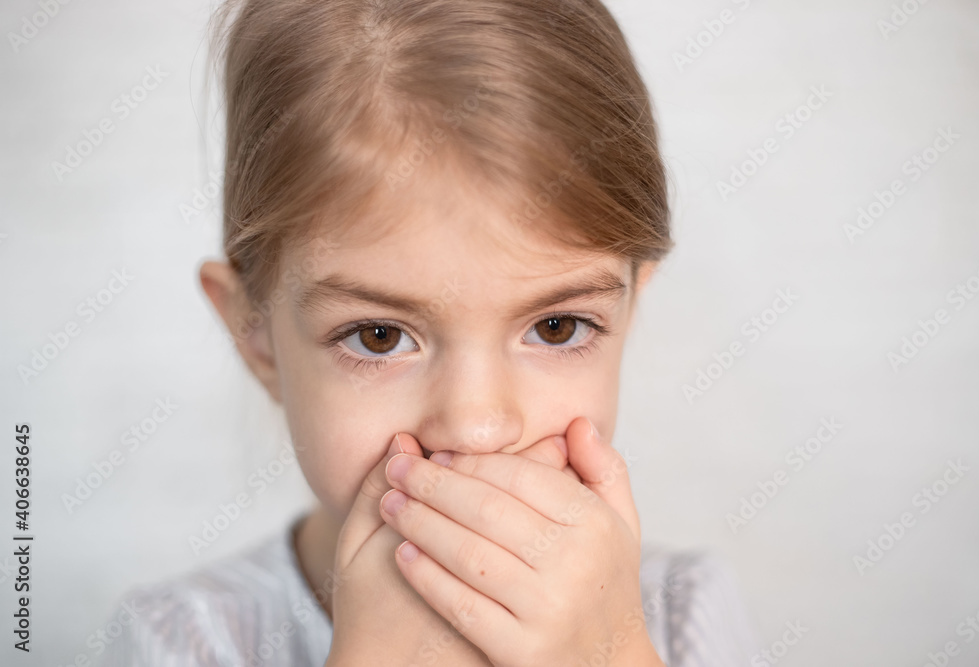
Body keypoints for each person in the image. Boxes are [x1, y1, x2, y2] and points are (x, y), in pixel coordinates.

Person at [99, 0, 759, 664]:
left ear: (628, 311)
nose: (477, 428)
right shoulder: (181, 638)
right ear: (256, 334)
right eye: (380, 336)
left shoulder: (682, 610)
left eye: (557, 327)